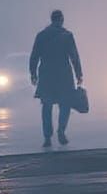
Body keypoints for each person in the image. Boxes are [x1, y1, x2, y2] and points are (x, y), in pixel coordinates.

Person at [29, 9, 83, 148]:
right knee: (64, 105)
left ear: (51, 19)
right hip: (64, 76)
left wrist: (33, 74)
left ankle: (47, 137)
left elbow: (34, 56)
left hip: (46, 75)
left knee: (46, 106)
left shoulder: (41, 36)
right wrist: (79, 74)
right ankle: (61, 131)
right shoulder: (67, 36)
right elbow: (74, 56)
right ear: (62, 20)